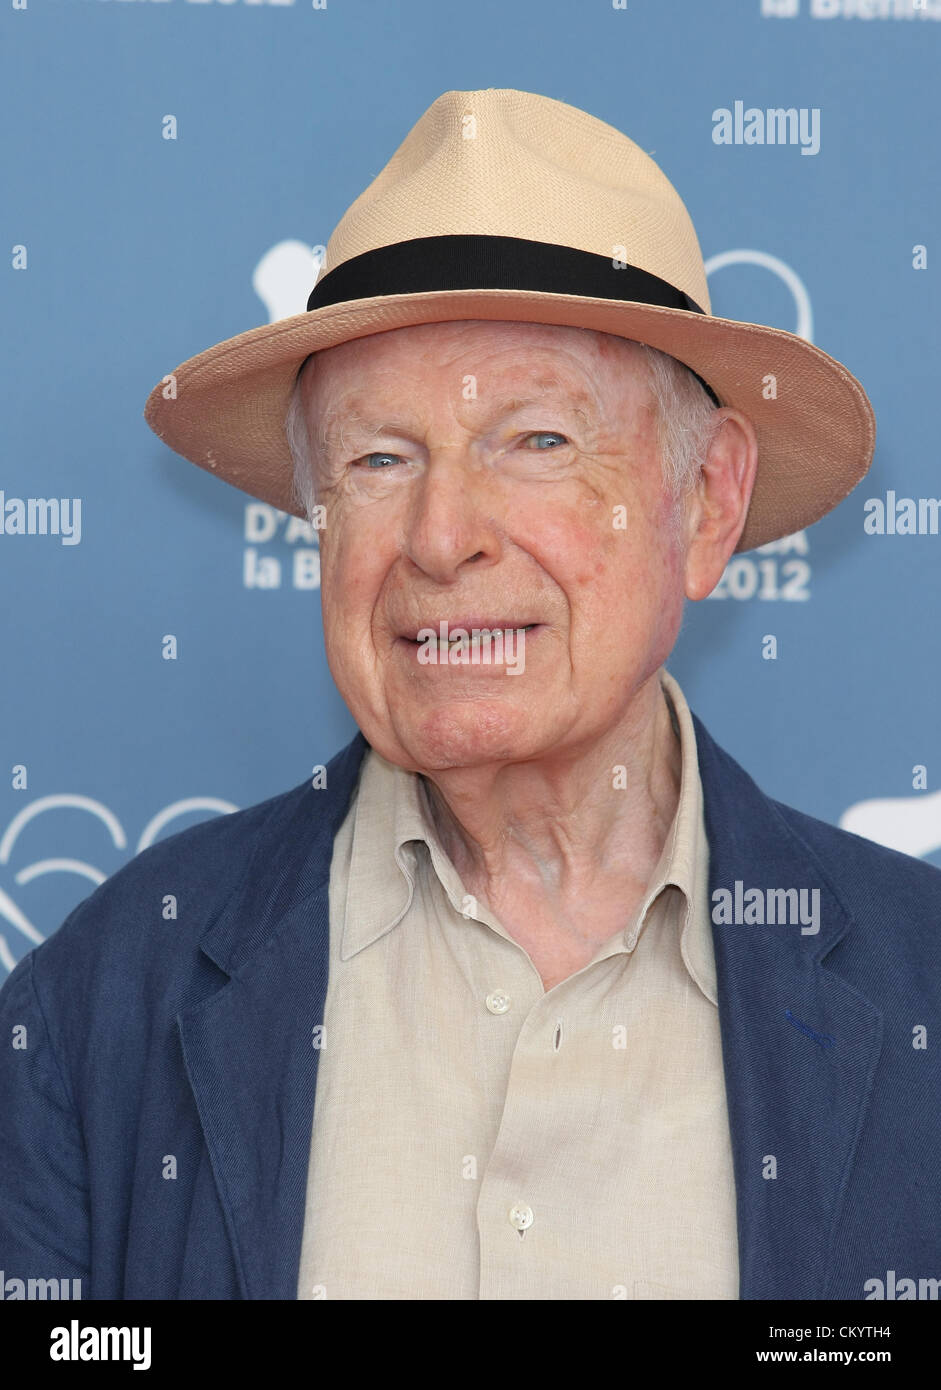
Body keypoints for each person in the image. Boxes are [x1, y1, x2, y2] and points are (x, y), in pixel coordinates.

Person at [1, 88, 939, 1301]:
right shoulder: (102, 1004)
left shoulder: (917, 996)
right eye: (378, 459)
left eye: (534, 441)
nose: (440, 538)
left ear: (704, 502)